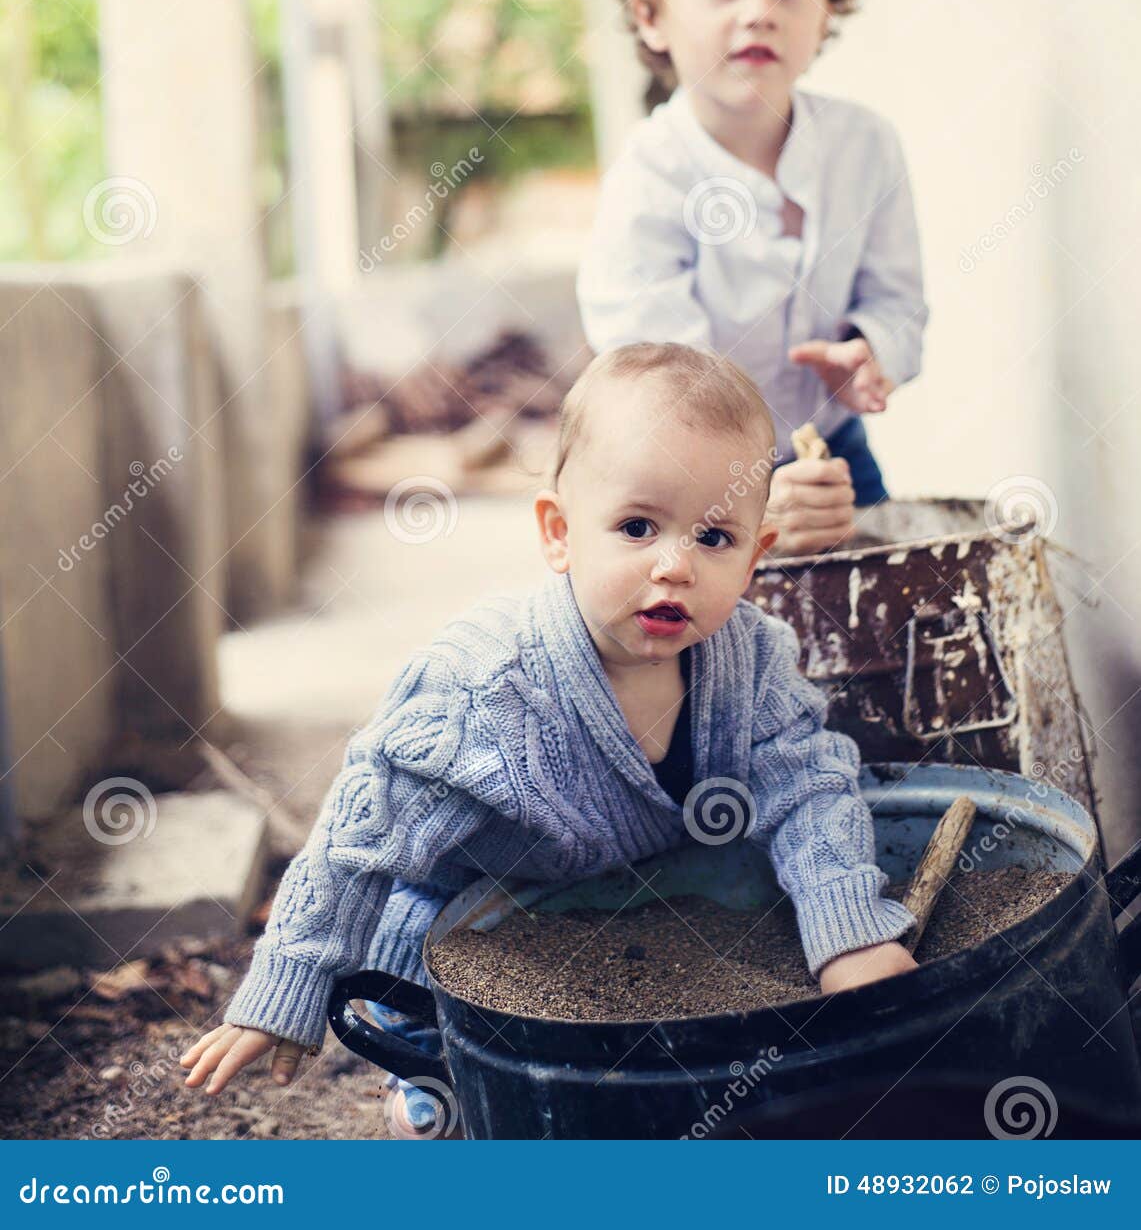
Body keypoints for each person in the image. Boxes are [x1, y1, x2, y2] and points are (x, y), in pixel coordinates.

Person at [181, 344, 916, 1127]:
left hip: (632, 915)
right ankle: (428, 1073)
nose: (674, 566)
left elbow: (807, 790)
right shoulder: (480, 687)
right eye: (637, 527)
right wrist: (287, 984)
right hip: (464, 925)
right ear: (559, 532)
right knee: (471, 1068)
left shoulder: (753, 660)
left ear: (755, 557)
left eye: (713, 539)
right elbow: (361, 837)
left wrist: (848, 934)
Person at [577, 0, 928, 556]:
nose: (761, 10)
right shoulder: (652, 173)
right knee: (718, 615)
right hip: (691, 473)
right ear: (651, 15)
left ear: (829, 7)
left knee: (873, 600)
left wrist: (870, 350)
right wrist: (749, 491)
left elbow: (899, 300)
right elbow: (651, 370)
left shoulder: (865, 146)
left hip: (832, 452)